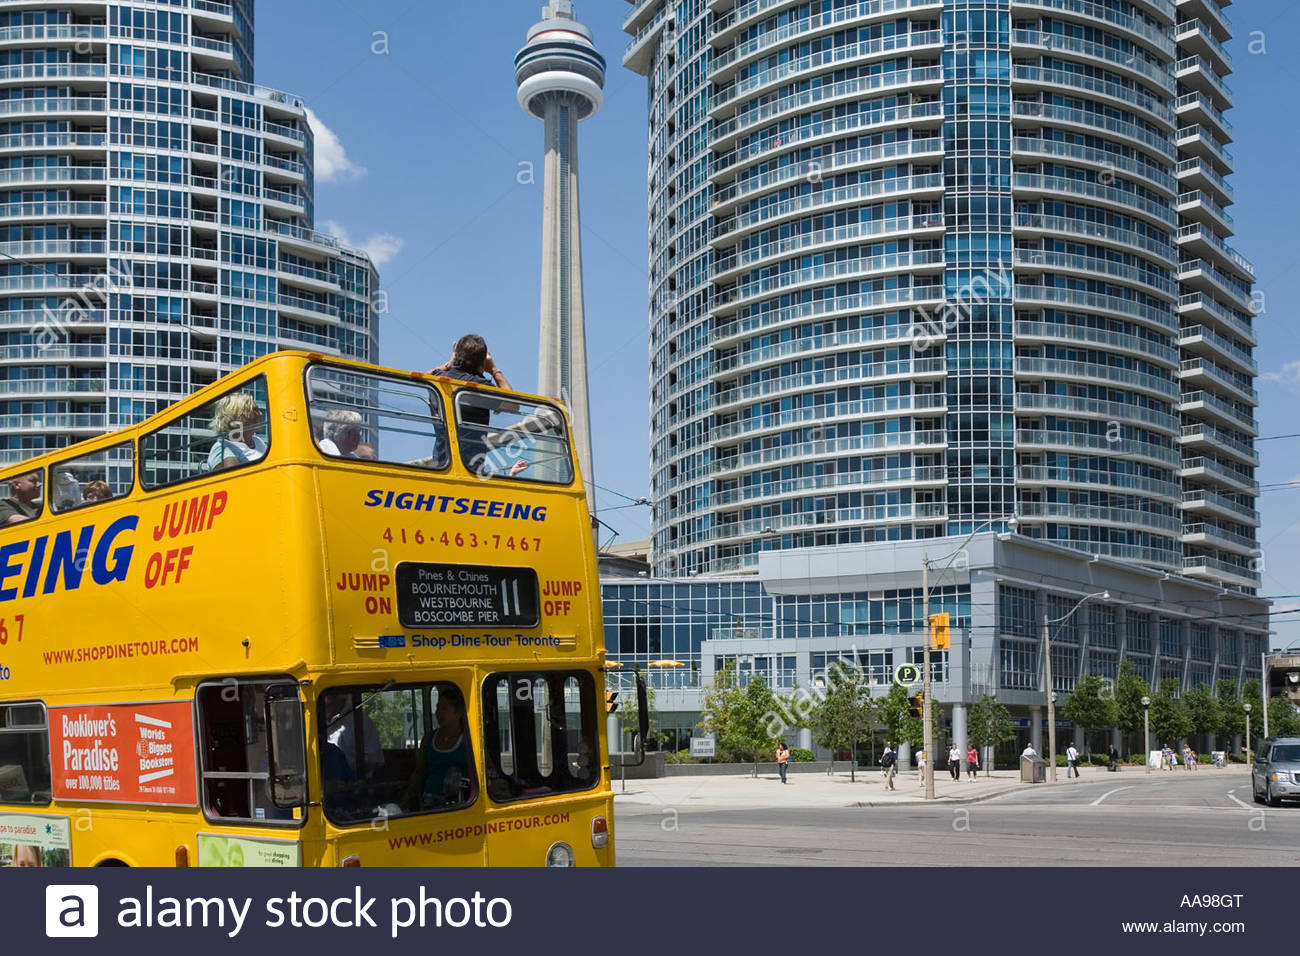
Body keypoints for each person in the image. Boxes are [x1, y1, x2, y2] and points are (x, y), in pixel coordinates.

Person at [405, 685, 472, 811]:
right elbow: (419, 772)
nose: (438, 712)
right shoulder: (428, 738)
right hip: (430, 803)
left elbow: (488, 769)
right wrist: (406, 799)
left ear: (458, 713)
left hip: (461, 803)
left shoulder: (470, 740)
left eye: (444, 708)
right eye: (437, 707)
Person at [323, 694, 384, 778]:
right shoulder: (315, 720)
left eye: (328, 698)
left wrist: (345, 771)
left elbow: (373, 761)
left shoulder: (361, 722)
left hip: (353, 785)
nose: (325, 703)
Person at [207, 391, 266, 471]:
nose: (260, 414)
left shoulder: (258, 441)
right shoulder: (223, 448)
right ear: (237, 416)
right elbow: (234, 480)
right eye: (254, 410)